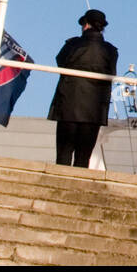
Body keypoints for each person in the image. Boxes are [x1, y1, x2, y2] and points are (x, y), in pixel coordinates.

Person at [47, 9, 119, 167]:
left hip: (68, 107)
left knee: (64, 154)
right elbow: (112, 73)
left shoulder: (72, 44)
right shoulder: (111, 51)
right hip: (93, 111)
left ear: (86, 25)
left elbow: (60, 62)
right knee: (83, 157)